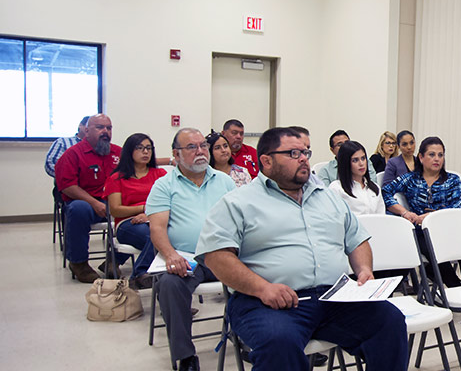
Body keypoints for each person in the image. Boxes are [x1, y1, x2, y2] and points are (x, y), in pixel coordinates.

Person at [197, 127, 408, 370]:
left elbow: (356, 239)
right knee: (279, 343)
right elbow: (216, 256)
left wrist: (363, 270)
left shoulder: (326, 198)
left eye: (305, 152)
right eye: (293, 153)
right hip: (268, 302)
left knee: (389, 322)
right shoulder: (238, 202)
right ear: (266, 160)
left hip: (334, 297)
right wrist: (262, 288)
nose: (304, 159)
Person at [145, 127, 236, 371]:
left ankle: (251, 342)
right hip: (187, 257)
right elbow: (157, 229)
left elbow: (241, 220)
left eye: (203, 146)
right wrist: (171, 255)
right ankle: (185, 355)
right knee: (169, 284)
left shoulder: (225, 181)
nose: (201, 152)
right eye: (192, 147)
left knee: (265, 270)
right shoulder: (164, 185)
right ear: (176, 154)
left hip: (223, 254)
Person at [381, 137, 461, 327]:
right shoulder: (411, 179)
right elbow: (385, 192)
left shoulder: (452, 180)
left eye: (441, 155)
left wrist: (433, 216)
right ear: (421, 157)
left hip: (449, 228)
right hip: (421, 232)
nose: (437, 159)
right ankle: (458, 293)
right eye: (432, 155)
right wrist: (404, 212)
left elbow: (459, 205)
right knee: (429, 249)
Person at [54, 114, 122, 282]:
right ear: (86, 130)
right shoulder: (73, 154)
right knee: (78, 209)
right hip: (85, 202)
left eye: (109, 128)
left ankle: (114, 261)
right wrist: (93, 202)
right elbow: (68, 186)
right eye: (99, 127)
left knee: (139, 209)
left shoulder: (117, 152)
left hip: (112, 200)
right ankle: (79, 263)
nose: (105, 131)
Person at [105, 133, 167, 288]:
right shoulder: (117, 178)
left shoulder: (160, 175)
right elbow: (115, 210)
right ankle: (142, 275)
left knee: (171, 236)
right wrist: (143, 208)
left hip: (154, 219)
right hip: (128, 224)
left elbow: (170, 202)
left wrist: (148, 215)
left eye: (148, 148)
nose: (145, 152)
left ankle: (143, 277)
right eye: (140, 148)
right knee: (157, 238)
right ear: (129, 151)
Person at [329, 141, 386, 216]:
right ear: (346, 163)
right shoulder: (336, 188)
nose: (361, 163)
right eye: (355, 160)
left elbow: (381, 217)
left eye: (363, 158)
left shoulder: (375, 188)